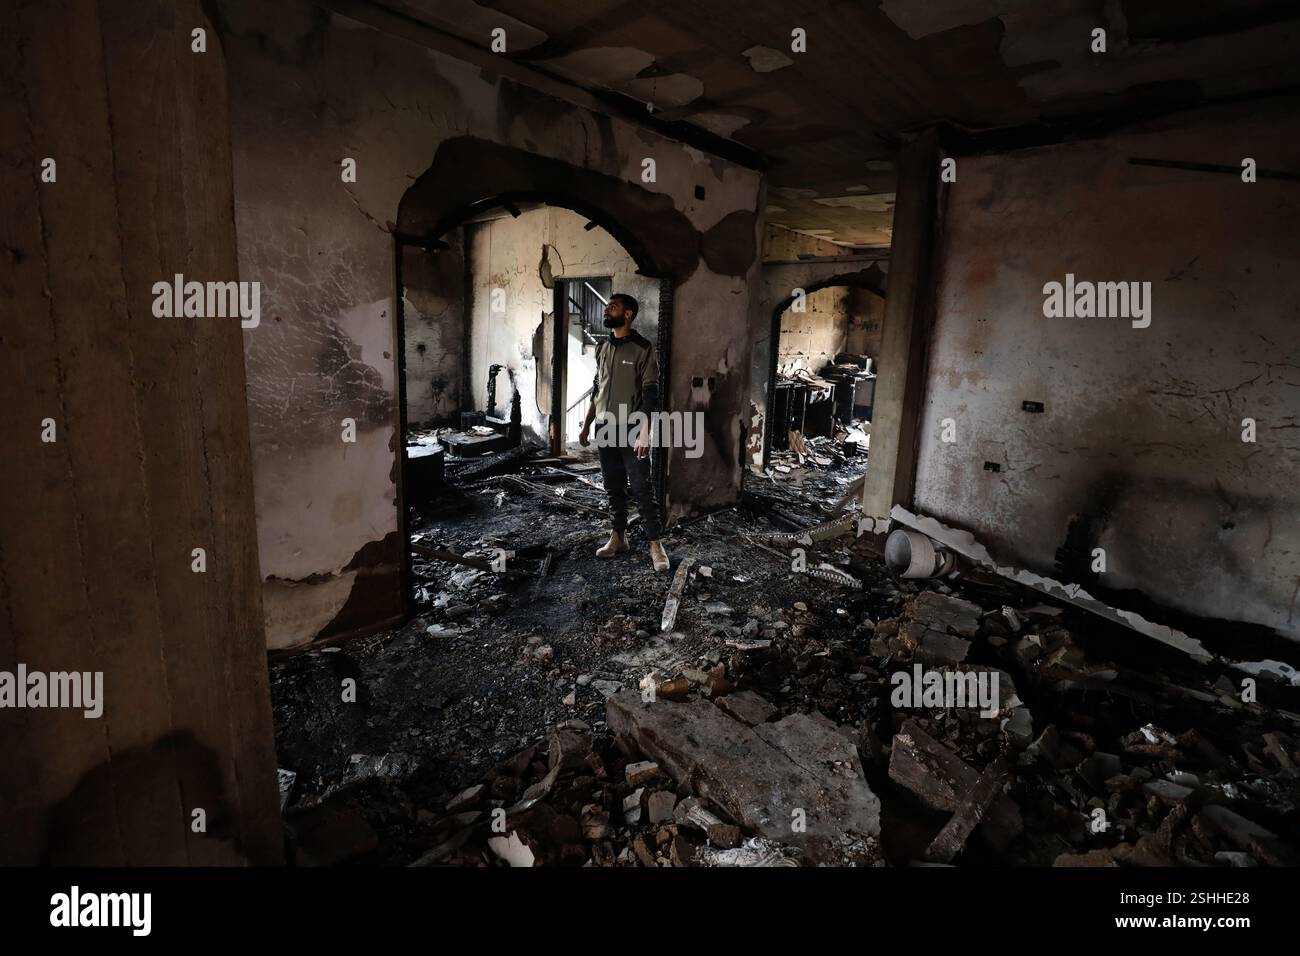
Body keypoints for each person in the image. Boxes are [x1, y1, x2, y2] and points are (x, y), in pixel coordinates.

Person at [578, 293, 670, 572]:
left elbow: (651, 394)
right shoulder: (602, 346)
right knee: (612, 485)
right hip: (605, 426)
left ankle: (656, 545)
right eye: (606, 306)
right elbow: (598, 388)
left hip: (631, 428)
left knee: (642, 487)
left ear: (628, 314)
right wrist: (586, 424)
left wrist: (646, 432)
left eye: (612, 307)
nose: (606, 310)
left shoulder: (643, 348)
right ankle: (618, 537)